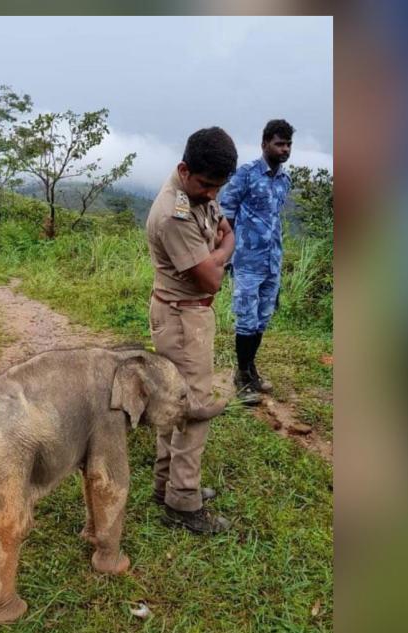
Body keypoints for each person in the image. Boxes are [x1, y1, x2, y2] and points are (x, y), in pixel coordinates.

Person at [144, 127, 238, 535]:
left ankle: (166, 484)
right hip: (182, 318)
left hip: (185, 314)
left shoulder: (196, 192)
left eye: (219, 187)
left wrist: (217, 251)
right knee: (194, 408)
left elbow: (228, 231)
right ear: (185, 170)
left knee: (172, 401)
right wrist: (221, 253)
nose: (212, 195)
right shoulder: (174, 214)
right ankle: (182, 501)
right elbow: (212, 280)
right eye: (206, 185)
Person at [220, 119, 294, 403]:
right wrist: (224, 254)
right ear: (264, 144)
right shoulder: (247, 174)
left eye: (288, 144)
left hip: (272, 261)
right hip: (247, 261)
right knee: (246, 319)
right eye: (279, 144)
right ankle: (241, 376)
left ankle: (251, 370)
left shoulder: (284, 180)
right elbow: (226, 212)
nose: (285, 149)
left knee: (262, 318)